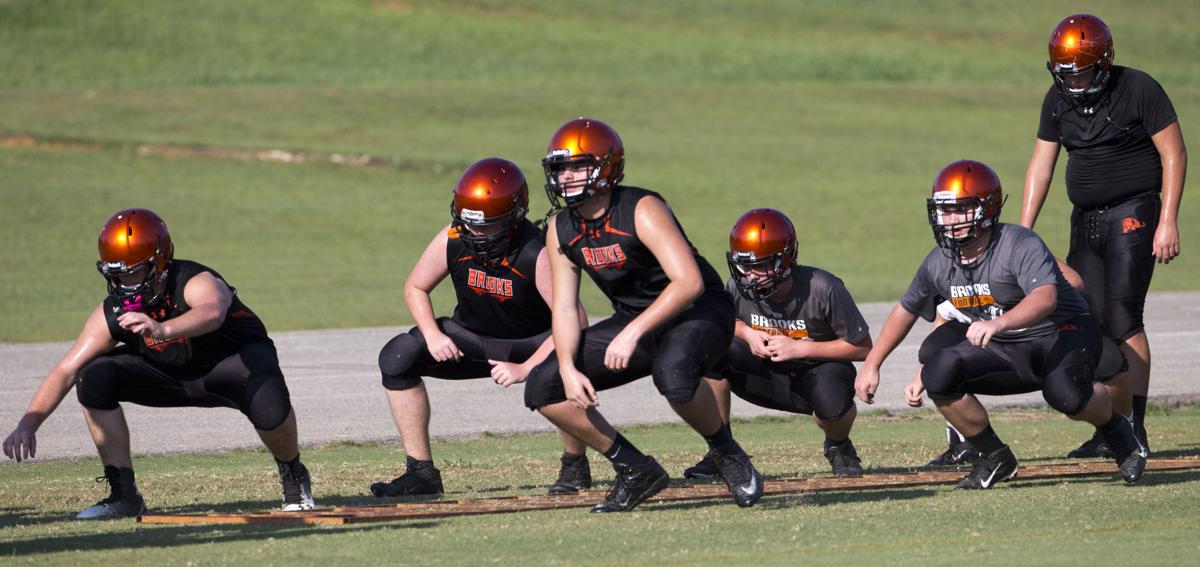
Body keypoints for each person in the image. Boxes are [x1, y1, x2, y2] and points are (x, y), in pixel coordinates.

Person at [2, 208, 313, 518]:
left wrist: (163, 329)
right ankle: (123, 495)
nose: (125, 283)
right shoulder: (115, 310)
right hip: (170, 377)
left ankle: (293, 478)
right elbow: (66, 369)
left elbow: (212, 312)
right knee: (93, 375)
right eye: (117, 275)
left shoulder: (195, 279)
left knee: (267, 397)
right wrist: (28, 425)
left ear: (161, 262)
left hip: (231, 368)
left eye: (133, 272)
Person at [856, 160, 1147, 489]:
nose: (948, 220)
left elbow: (1045, 298)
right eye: (943, 210)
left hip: (1061, 334)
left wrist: (998, 324)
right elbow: (905, 310)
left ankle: (1118, 433)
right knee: (937, 370)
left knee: (1065, 395)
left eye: (959, 209)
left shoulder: (1018, 243)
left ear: (987, 209)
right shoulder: (939, 260)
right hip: (1008, 348)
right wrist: (872, 364)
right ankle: (994, 456)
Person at [524, 118, 763, 512]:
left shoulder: (641, 207)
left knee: (672, 373)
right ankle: (636, 469)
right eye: (560, 168)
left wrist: (633, 332)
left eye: (577, 166)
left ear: (607, 165)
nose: (566, 177)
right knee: (543, 386)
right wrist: (567, 366)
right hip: (636, 318)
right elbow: (564, 306)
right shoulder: (560, 228)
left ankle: (727, 453)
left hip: (697, 311)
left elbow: (688, 282)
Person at [371, 158, 591, 497]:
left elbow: (575, 320)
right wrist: (432, 334)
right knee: (398, 356)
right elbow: (415, 287)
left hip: (528, 344)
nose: (476, 233)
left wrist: (527, 367)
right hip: (471, 338)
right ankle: (421, 473)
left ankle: (575, 467)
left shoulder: (538, 252)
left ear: (515, 217)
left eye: (488, 226)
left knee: (565, 362)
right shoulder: (453, 237)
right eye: (469, 223)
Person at [1020, 13, 1187, 457]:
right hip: (1086, 217)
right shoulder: (1056, 100)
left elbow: (1174, 153)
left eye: (1079, 71)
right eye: (1064, 72)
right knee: (1089, 318)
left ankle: (1136, 427)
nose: (1070, 81)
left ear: (1104, 61)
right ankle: (1110, 429)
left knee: (1122, 315)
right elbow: (1042, 164)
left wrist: (1168, 219)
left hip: (1135, 210)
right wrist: (1023, 230)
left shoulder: (1139, 88)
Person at [683, 209, 872, 479]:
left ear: (786, 258)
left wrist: (802, 348)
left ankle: (839, 445)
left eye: (761, 265)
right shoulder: (738, 287)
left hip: (816, 375)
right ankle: (722, 451)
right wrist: (747, 333)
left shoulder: (823, 287)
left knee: (833, 405)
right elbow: (726, 320)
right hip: (764, 374)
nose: (751, 276)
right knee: (711, 347)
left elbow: (862, 347)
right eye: (745, 266)